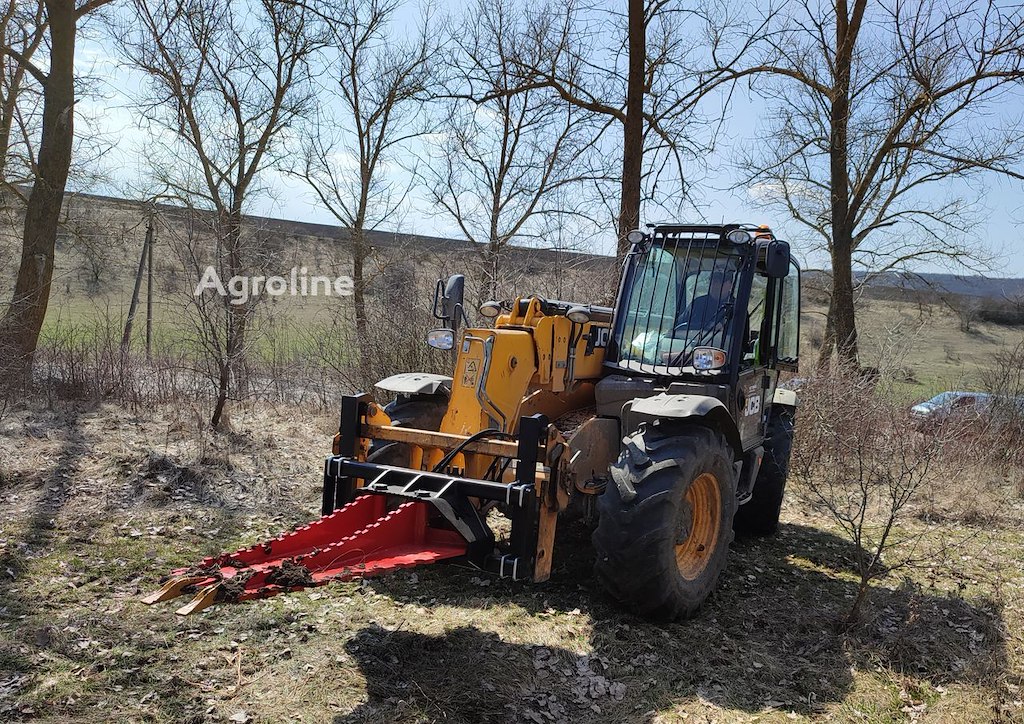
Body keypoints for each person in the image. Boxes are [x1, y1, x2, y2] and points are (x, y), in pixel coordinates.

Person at [675, 270, 734, 334]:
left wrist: (724, 330)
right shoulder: (697, 304)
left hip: (722, 343)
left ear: (730, 285)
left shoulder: (737, 307)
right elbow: (678, 326)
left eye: (720, 281)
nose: (715, 284)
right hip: (692, 342)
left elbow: (741, 337)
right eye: (712, 280)